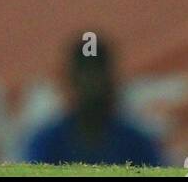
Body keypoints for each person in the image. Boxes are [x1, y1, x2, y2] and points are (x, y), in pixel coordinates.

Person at [23, 38, 164, 167]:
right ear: (69, 82)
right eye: (86, 77)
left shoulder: (137, 145)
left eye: (98, 77)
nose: (92, 86)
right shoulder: (46, 145)